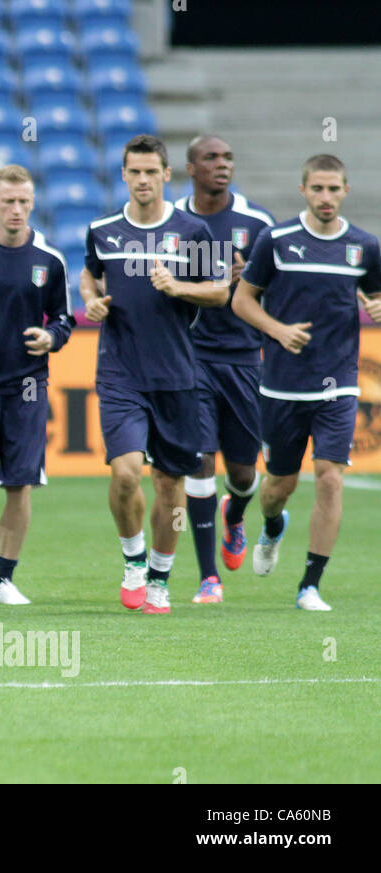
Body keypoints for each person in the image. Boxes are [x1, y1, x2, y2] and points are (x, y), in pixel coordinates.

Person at [80, 135, 228, 615]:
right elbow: (90, 273)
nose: (142, 180)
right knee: (125, 474)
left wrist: (179, 286)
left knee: (170, 484)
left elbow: (220, 291)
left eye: (151, 172)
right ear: (123, 175)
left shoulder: (193, 233)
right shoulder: (102, 230)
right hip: (120, 372)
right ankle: (133, 560)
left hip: (177, 375)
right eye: (134, 172)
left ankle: (161, 578)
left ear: (168, 175)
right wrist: (91, 299)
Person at [231, 154, 381, 612]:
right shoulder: (275, 241)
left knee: (330, 479)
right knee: (277, 488)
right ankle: (273, 526)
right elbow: (241, 300)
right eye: (318, 188)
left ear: (346, 191)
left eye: (334, 189)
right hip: (281, 387)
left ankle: (309, 585)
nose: (326, 197)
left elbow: (374, 295)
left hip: (338, 385)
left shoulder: (364, 246)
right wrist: (276, 330)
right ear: (303, 191)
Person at [0, 164, 72, 605]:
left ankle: (3, 580)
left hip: (27, 387)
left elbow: (63, 319)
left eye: (24, 201)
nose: (17, 209)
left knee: (19, 484)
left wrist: (52, 338)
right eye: (8, 201)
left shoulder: (49, 259)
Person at [173, 135, 275, 604]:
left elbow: (279, 290)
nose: (222, 164)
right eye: (211, 157)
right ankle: (207, 577)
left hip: (242, 359)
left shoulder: (257, 224)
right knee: (198, 463)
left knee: (242, 472)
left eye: (228, 157)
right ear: (190, 167)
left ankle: (236, 515)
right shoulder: (172, 221)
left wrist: (247, 284)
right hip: (189, 357)